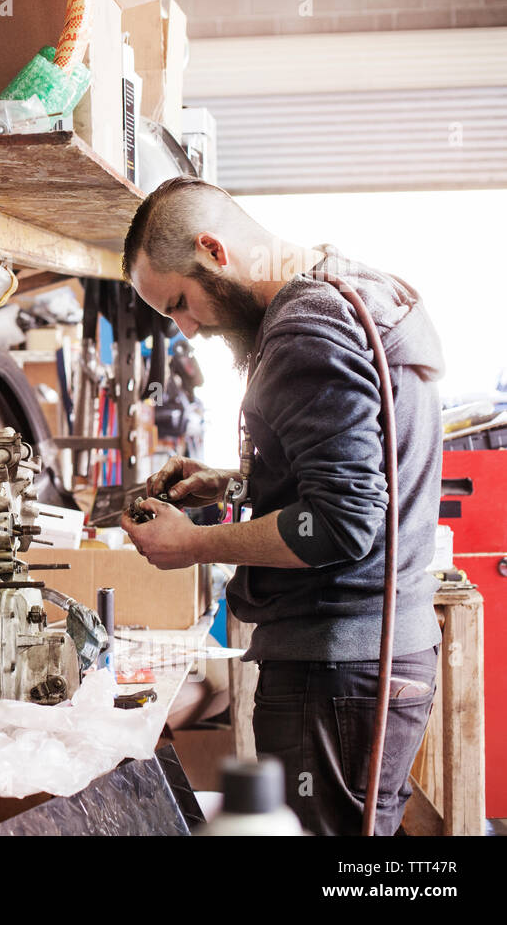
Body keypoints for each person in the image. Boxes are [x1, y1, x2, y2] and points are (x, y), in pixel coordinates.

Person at [118, 176, 446, 836]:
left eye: (179, 302)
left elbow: (343, 522)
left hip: (333, 668)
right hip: (366, 660)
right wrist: (232, 483)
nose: (184, 328)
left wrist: (197, 545)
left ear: (215, 250)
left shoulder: (306, 332)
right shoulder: (350, 286)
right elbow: (349, 472)